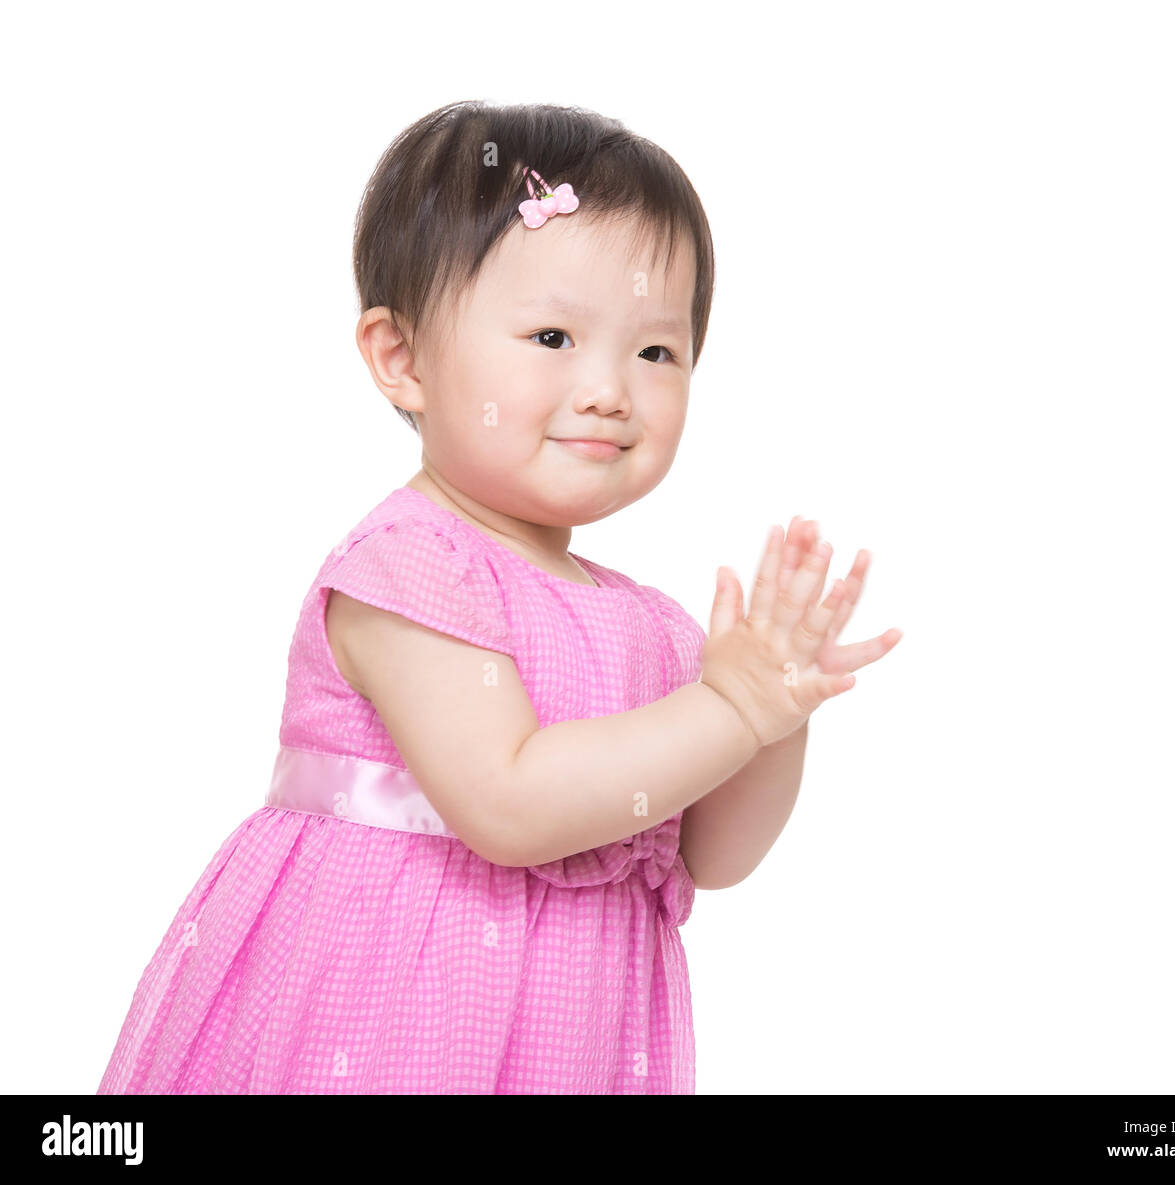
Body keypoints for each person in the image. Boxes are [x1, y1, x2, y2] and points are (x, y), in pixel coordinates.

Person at [96, 99, 902, 1095]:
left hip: (572, 1039)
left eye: (655, 352)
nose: (610, 388)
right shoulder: (409, 568)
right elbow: (510, 803)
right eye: (553, 335)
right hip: (385, 1017)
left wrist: (772, 718)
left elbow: (715, 852)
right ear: (403, 360)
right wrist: (725, 707)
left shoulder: (652, 625)